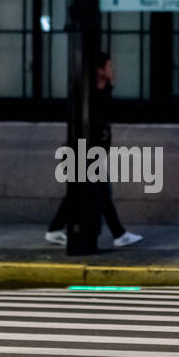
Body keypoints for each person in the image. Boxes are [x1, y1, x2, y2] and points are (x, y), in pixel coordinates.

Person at [45, 53, 142, 248]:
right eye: (108, 66)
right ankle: (118, 233)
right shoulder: (91, 95)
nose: (112, 70)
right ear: (99, 71)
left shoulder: (104, 91)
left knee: (80, 192)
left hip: (92, 152)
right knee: (101, 193)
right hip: (82, 152)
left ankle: (55, 229)